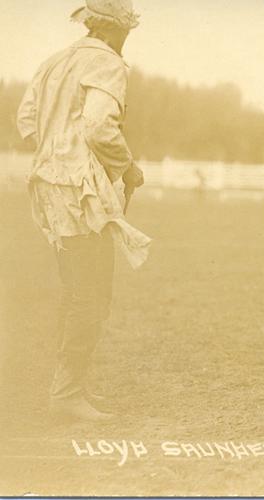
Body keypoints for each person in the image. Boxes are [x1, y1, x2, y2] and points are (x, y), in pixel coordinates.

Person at [16, 0, 150, 422]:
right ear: (114, 30)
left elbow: (26, 120)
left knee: (80, 292)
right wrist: (125, 166)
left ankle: (72, 390)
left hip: (51, 190)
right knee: (90, 295)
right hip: (81, 195)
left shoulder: (55, 62)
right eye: (126, 32)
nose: (126, 42)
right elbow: (98, 125)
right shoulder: (107, 63)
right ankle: (67, 395)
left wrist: (57, 148)